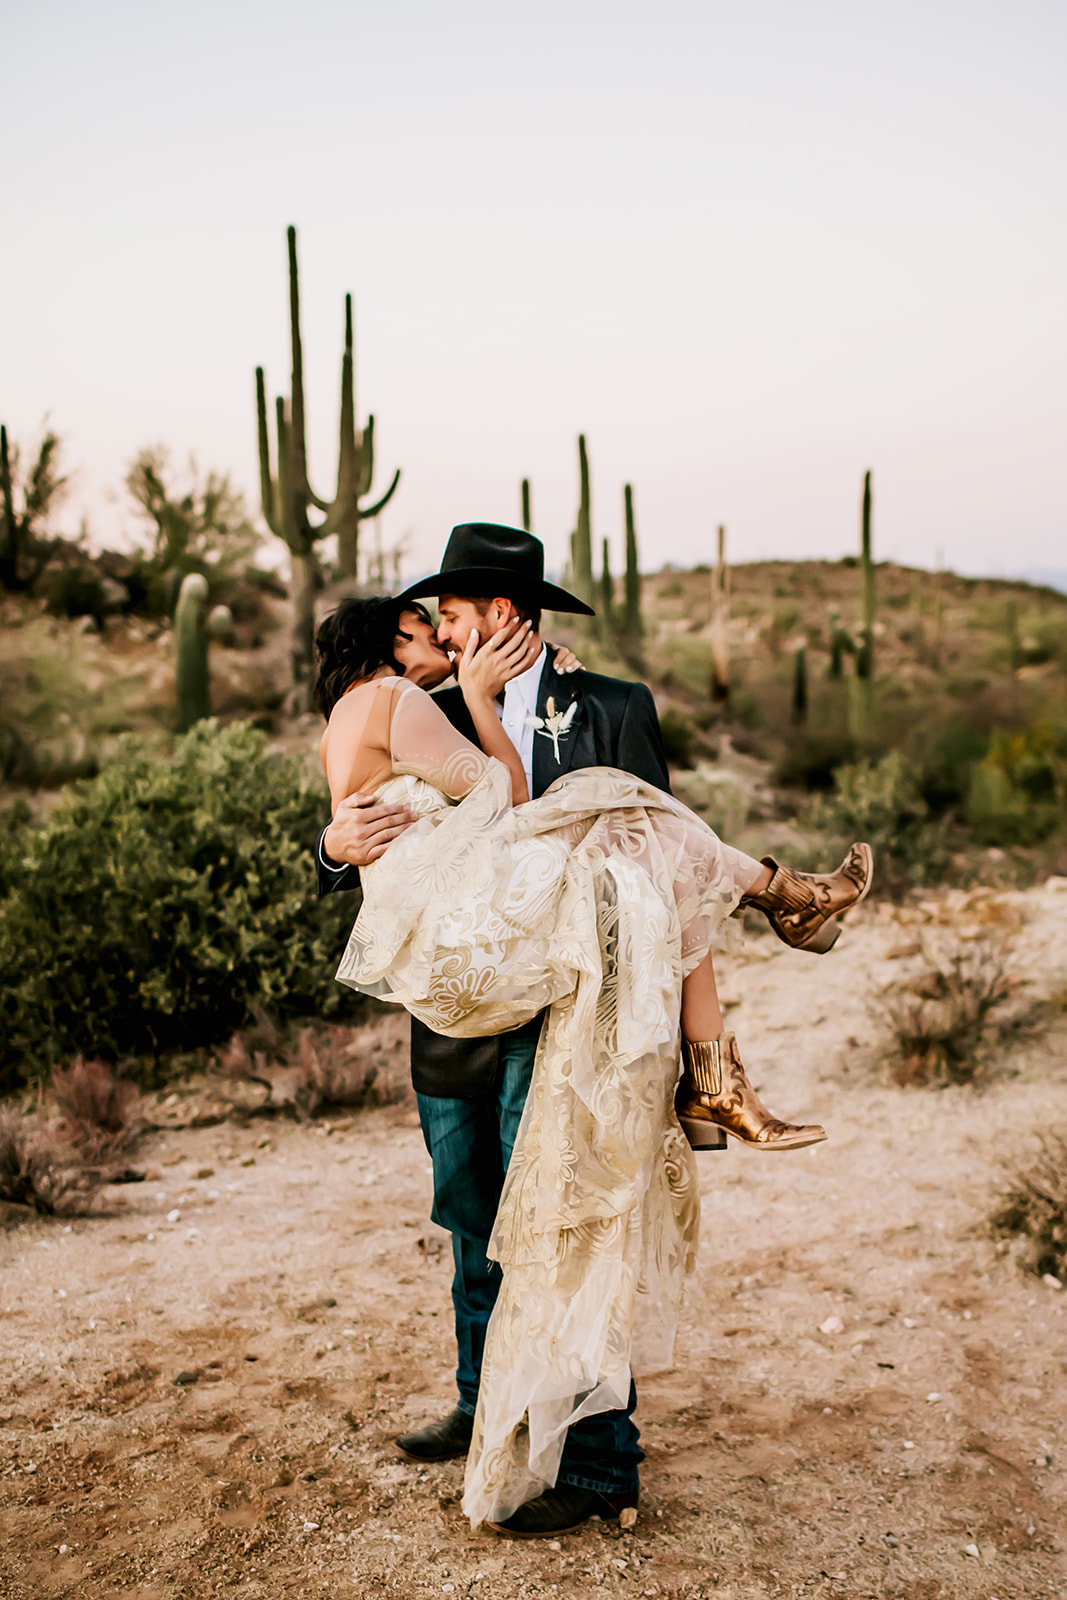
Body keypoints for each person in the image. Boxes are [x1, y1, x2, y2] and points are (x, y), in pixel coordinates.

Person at [315, 523, 873, 1536]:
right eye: (431, 617)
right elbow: (379, 837)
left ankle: (600, 1464)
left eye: (453, 609)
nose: (440, 625)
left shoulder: (613, 706)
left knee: (578, 1233)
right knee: (473, 1229)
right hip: (455, 1023)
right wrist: (325, 845)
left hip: (583, 1016)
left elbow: (668, 866)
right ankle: (484, 1402)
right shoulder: (421, 703)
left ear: (505, 614)